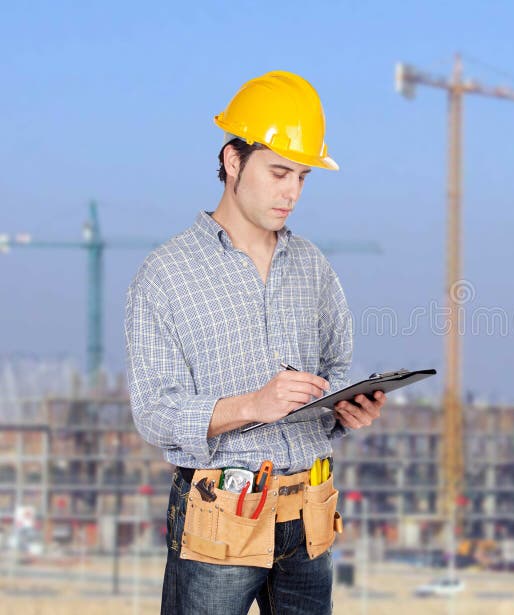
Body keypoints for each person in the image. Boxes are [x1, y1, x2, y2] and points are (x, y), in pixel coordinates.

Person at [125, 71, 385, 615]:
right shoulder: (167, 274)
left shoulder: (312, 266)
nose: (291, 192)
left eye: (302, 177)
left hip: (308, 517)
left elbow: (336, 366)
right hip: (221, 516)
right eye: (278, 172)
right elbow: (155, 413)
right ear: (232, 161)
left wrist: (346, 408)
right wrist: (252, 406)